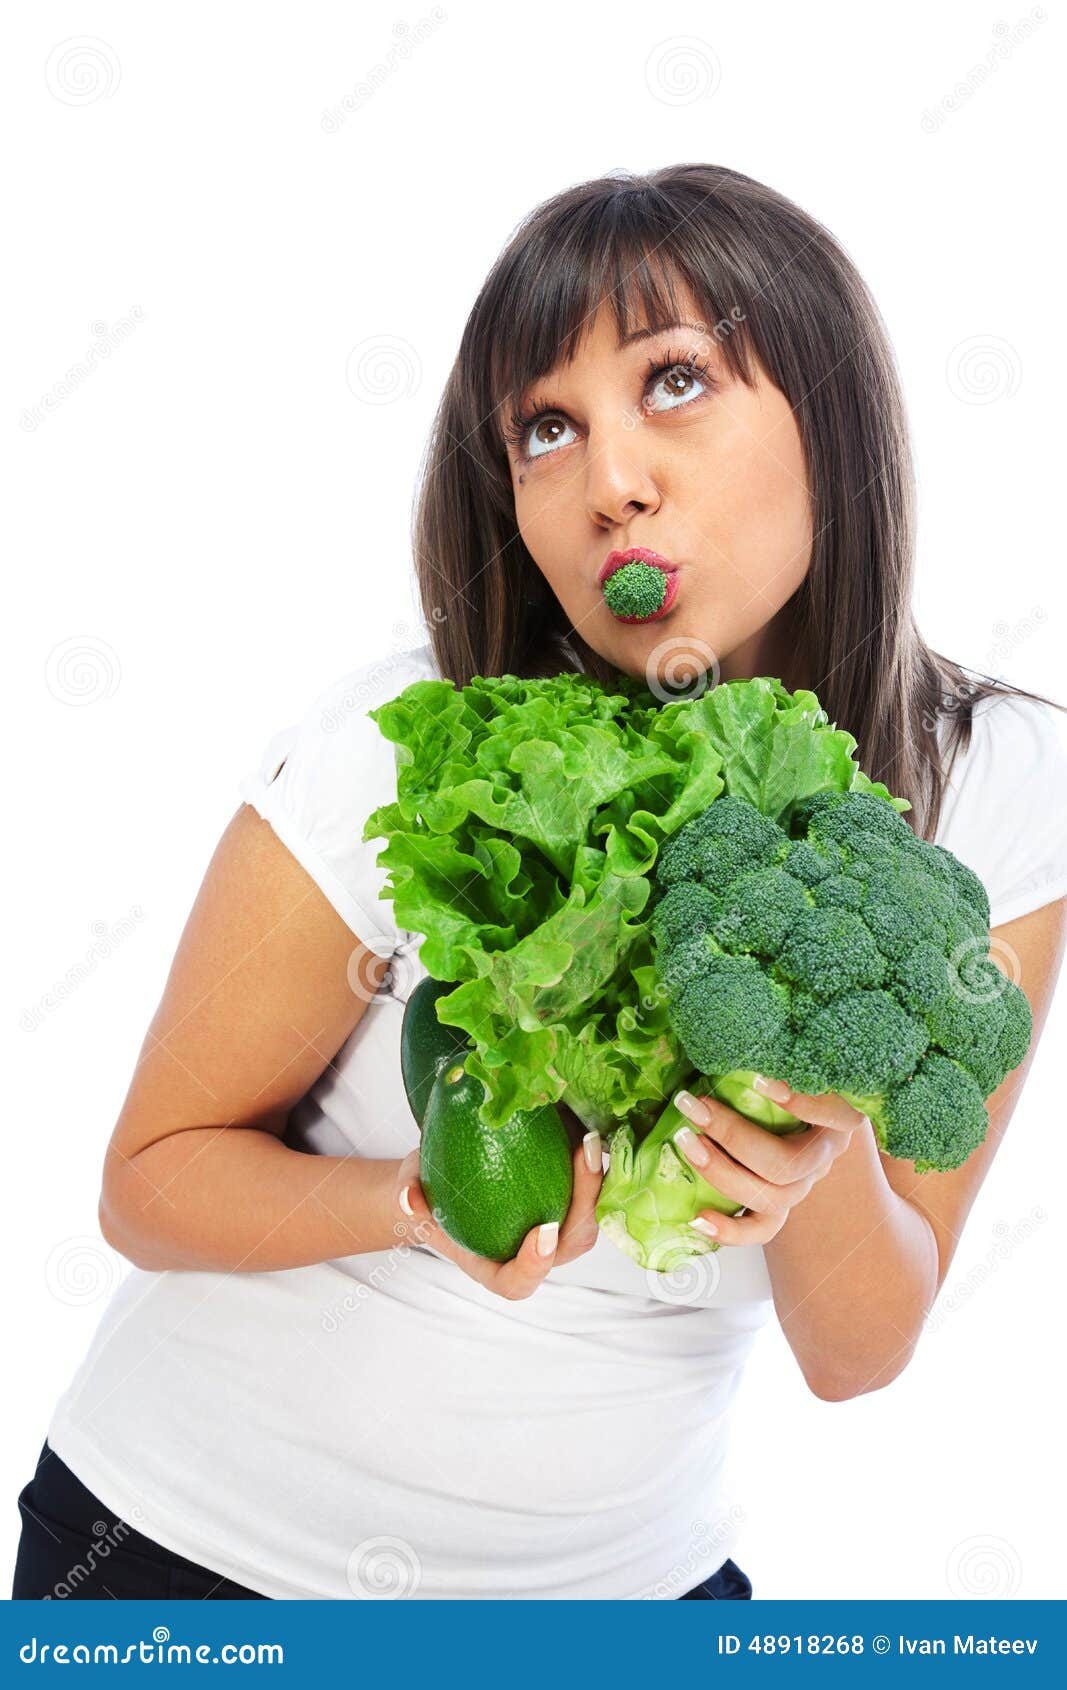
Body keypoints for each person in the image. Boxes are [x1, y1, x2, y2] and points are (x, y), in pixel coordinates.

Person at [13, 164, 1067, 1602]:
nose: (610, 482)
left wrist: (812, 1165)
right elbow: (147, 1182)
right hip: (192, 1557)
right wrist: (417, 1201)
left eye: (676, 382)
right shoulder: (427, 747)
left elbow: (860, 1353)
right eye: (546, 429)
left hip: (622, 1597)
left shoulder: (992, 784)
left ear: (831, 411)